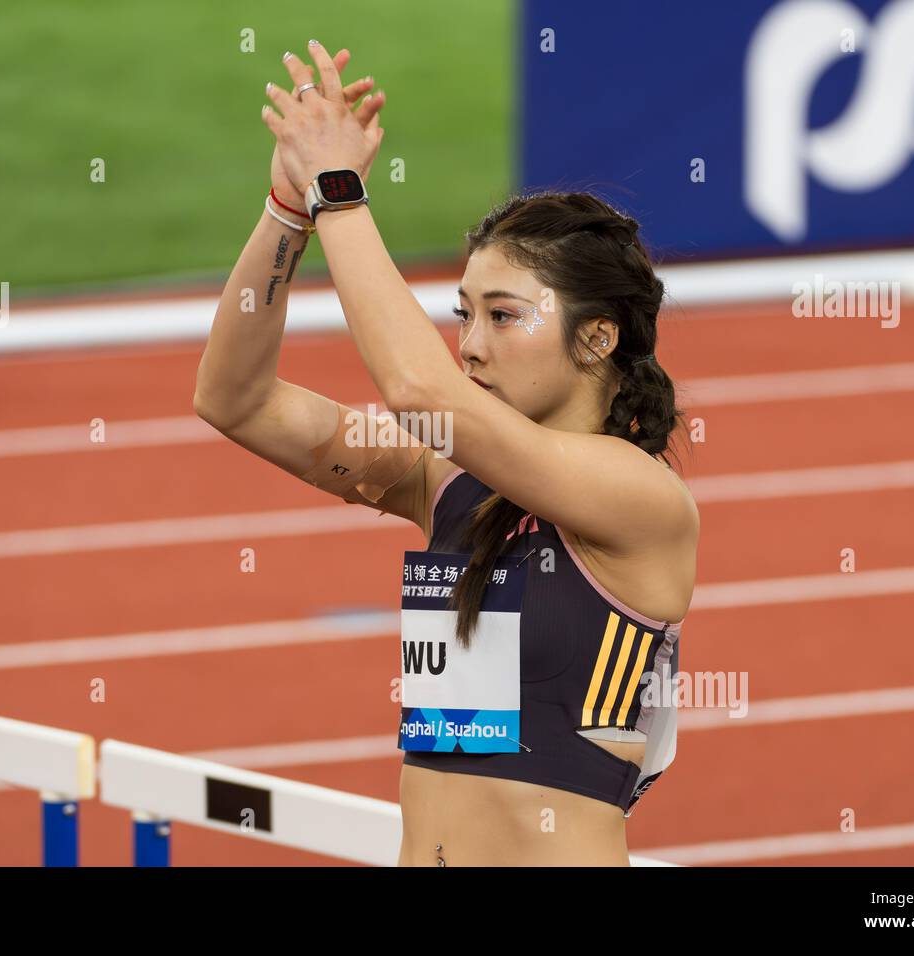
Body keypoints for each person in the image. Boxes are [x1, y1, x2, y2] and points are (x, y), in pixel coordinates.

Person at [195, 41, 699, 866]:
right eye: (462, 315)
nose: (469, 345)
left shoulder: (639, 499)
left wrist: (340, 195)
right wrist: (288, 208)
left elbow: (423, 395)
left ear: (597, 338)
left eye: (502, 316)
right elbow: (237, 401)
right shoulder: (451, 483)